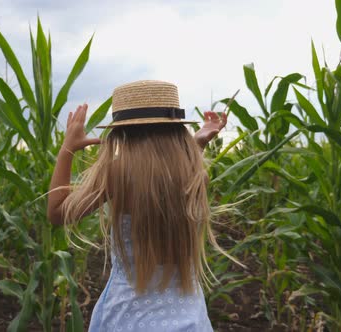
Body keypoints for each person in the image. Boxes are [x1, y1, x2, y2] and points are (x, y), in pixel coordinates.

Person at [47, 80, 229, 332]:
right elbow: (169, 173)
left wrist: (68, 147)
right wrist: (197, 142)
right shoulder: (194, 172)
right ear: (177, 130)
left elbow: (57, 212)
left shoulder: (117, 174)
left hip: (128, 316)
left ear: (121, 132)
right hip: (188, 316)